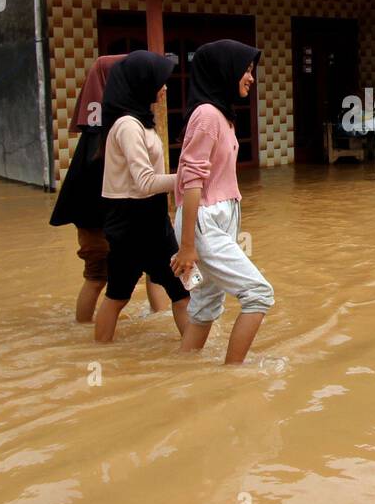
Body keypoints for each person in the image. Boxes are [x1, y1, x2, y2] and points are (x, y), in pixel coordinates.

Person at [171, 40, 274, 365]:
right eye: (245, 70)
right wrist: (188, 246)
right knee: (259, 293)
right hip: (203, 222)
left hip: (217, 220)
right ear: (223, 71)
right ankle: (232, 375)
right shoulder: (207, 116)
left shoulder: (222, 116)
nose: (250, 78)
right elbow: (191, 180)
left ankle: (182, 372)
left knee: (204, 308)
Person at [49, 54, 169, 324]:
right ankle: (85, 332)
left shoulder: (124, 124)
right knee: (97, 277)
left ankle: (157, 323)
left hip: (126, 218)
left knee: (154, 271)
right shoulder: (107, 133)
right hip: (100, 221)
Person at [92, 51, 190, 343]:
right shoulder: (127, 126)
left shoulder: (140, 122)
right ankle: (194, 355)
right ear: (142, 83)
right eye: (160, 81)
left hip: (147, 217)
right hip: (133, 220)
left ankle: (194, 355)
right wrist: (190, 180)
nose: (165, 87)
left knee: (177, 290)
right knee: (123, 294)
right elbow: (145, 182)